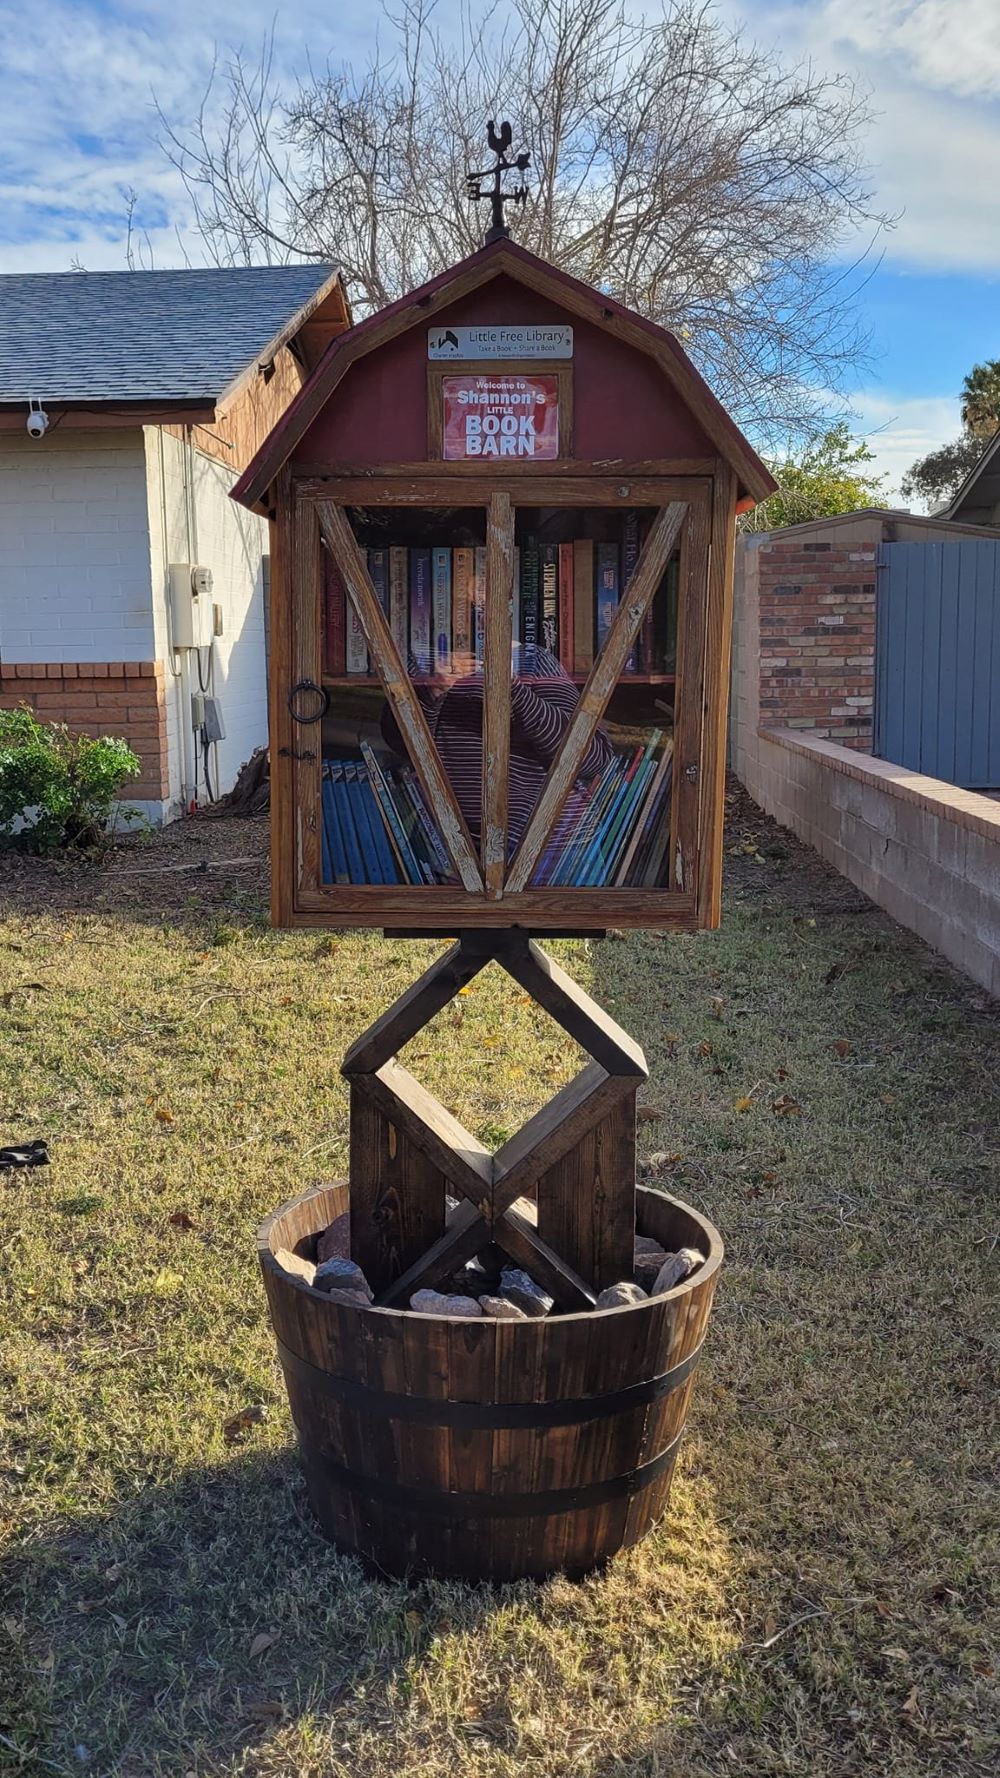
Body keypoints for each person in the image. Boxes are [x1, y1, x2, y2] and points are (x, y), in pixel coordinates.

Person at [382, 641, 613, 866]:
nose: (479, 602)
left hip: (552, 848)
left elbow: (592, 758)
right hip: (451, 848)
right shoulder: (422, 660)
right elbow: (401, 744)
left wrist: (512, 689)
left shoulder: (533, 660)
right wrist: (431, 690)